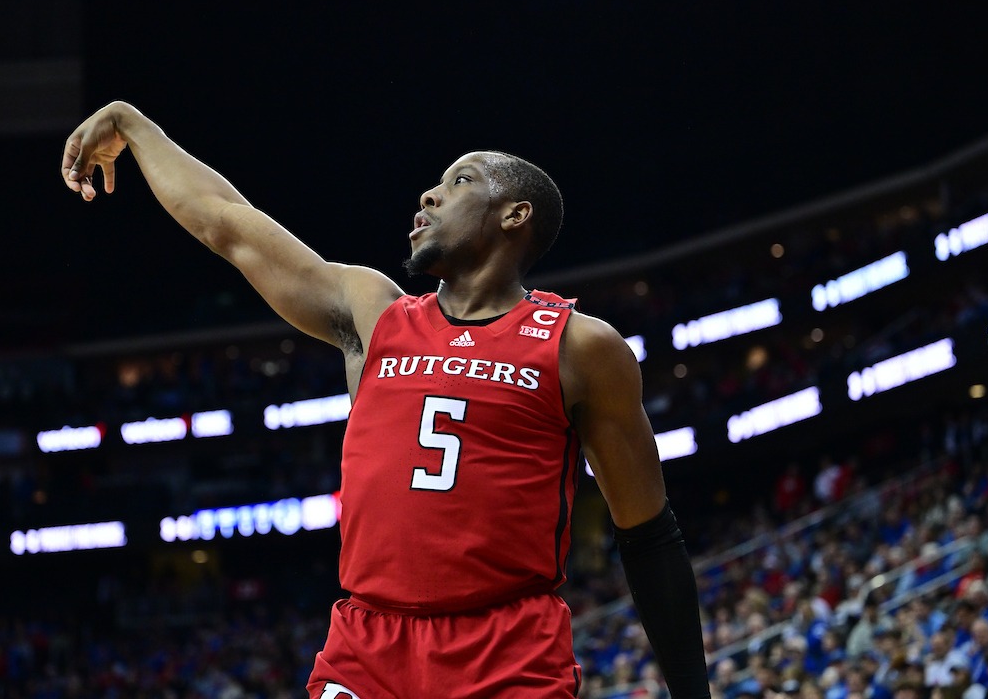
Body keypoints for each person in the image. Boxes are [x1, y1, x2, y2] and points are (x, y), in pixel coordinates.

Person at [61, 101, 710, 699]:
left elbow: (649, 536)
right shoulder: (374, 312)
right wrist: (135, 127)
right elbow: (227, 224)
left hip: (505, 651)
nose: (428, 193)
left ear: (517, 214)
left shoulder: (580, 347)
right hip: (368, 645)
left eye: (460, 181)